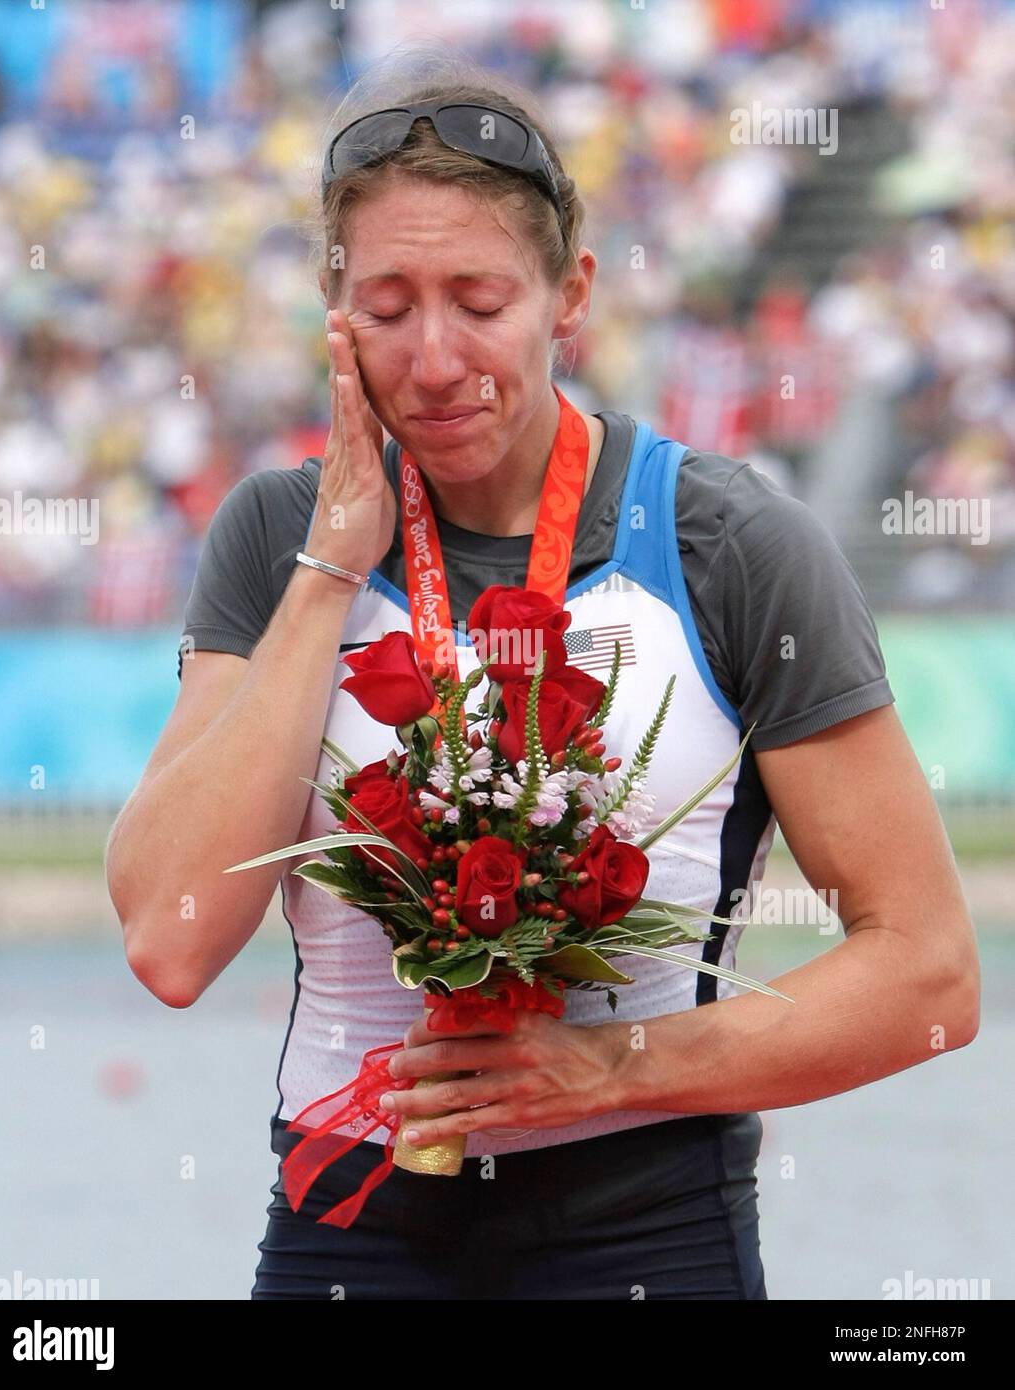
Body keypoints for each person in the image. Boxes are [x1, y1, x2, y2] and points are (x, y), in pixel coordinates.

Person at [105, 56, 980, 1301]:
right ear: (329, 305)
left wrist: (616, 1066)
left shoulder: (731, 547)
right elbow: (169, 943)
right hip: (347, 1231)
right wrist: (327, 568)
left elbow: (929, 976)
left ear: (569, 293)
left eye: (478, 298)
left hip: (641, 1241)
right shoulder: (273, 534)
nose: (432, 357)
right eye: (388, 305)